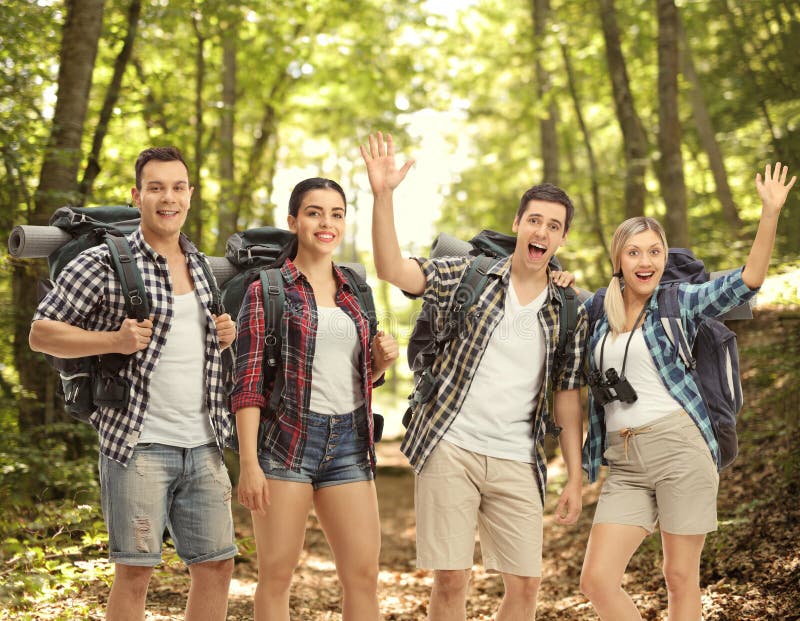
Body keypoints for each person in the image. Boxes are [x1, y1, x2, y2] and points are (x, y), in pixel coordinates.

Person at [361, 132, 587, 621]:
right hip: (451, 445)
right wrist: (383, 195)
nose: (542, 232)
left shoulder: (568, 308)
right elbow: (392, 268)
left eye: (553, 226)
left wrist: (575, 475)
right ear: (518, 224)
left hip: (518, 457)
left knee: (526, 585)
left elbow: (568, 396)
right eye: (534, 220)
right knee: (451, 579)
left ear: (562, 238)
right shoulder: (470, 274)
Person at [579, 163, 796, 620]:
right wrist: (559, 280)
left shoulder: (678, 302)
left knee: (679, 578)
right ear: (618, 260)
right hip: (624, 460)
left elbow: (747, 280)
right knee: (597, 580)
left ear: (663, 258)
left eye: (654, 251)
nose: (645, 261)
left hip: (680, 448)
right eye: (634, 252)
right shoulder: (598, 311)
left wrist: (769, 214)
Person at [29, 147, 238, 621]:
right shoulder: (103, 262)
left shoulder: (201, 266)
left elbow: (191, 348)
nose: (169, 198)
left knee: (217, 567)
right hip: (138, 445)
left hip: (205, 443)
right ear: (136, 196)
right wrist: (114, 340)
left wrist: (222, 336)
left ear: (190, 194)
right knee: (136, 573)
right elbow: (41, 332)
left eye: (178, 187)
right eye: (156, 187)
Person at [231, 177, 399, 621]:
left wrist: (379, 364)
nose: (327, 223)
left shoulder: (354, 291)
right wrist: (249, 463)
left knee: (363, 575)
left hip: (349, 444)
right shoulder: (268, 289)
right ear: (293, 221)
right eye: (314, 213)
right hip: (287, 443)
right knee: (276, 575)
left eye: (336, 214)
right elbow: (248, 384)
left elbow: (356, 377)